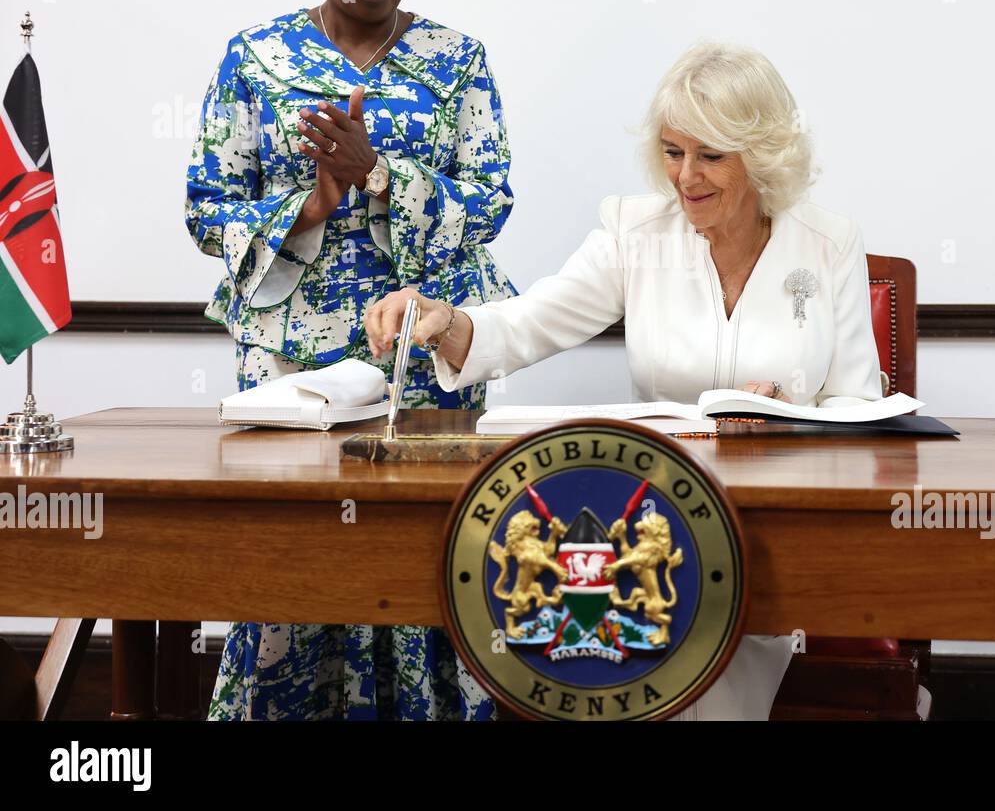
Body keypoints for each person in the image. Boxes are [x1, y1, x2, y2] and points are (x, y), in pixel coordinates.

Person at [364, 42, 884, 719]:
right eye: (673, 151)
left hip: (777, 533)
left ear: (760, 152)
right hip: (654, 521)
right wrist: (443, 321)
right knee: (606, 631)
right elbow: (528, 323)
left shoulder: (828, 242)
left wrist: (790, 416)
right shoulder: (636, 231)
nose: (686, 177)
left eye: (711, 155)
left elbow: (860, 408)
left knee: (700, 645)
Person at [185, 0, 513, 720]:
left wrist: (378, 176)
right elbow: (207, 207)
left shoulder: (458, 60)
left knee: (426, 563)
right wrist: (310, 203)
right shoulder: (254, 59)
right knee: (293, 565)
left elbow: (488, 202)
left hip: (424, 352)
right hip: (290, 361)